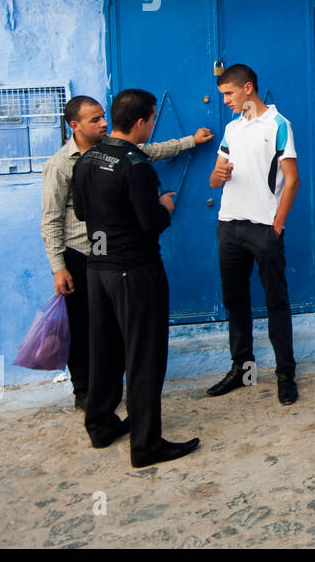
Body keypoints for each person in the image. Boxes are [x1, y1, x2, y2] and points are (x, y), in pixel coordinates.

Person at [41, 95, 211, 411]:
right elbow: (51, 218)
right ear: (75, 125)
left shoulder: (114, 151)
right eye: (95, 120)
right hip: (82, 255)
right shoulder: (61, 164)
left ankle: (105, 404)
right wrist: (58, 266)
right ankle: (85, 392)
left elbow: (149, 150)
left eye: (103, 116)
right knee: (84, 329)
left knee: (113, 331)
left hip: (110, 258)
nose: (103, 123)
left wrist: (190, 141)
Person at [73, 89, 199, 468]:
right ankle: (146, 445)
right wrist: (165, 205)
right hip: (134, 272)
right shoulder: (135, 165)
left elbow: (81, 213)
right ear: (142, 122)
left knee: (105, 350)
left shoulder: (87, 158)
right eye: (153, 119)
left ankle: (100, 425)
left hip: (98, 269)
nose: (153, 125)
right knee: (144, 356)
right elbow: (152, 223)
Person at [206, 63, 300, 405]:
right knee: (235, 302)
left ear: (248, 88)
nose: (225, 100)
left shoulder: (278, 124)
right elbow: (214, 181)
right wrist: (217, 176)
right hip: (229, 225)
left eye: (229, 93)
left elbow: (292, 179)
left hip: (264, 229)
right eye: (223, 95)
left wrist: (277, 225)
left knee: (276, 301)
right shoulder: (231, 129)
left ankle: (285, 374)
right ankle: (242, 369)